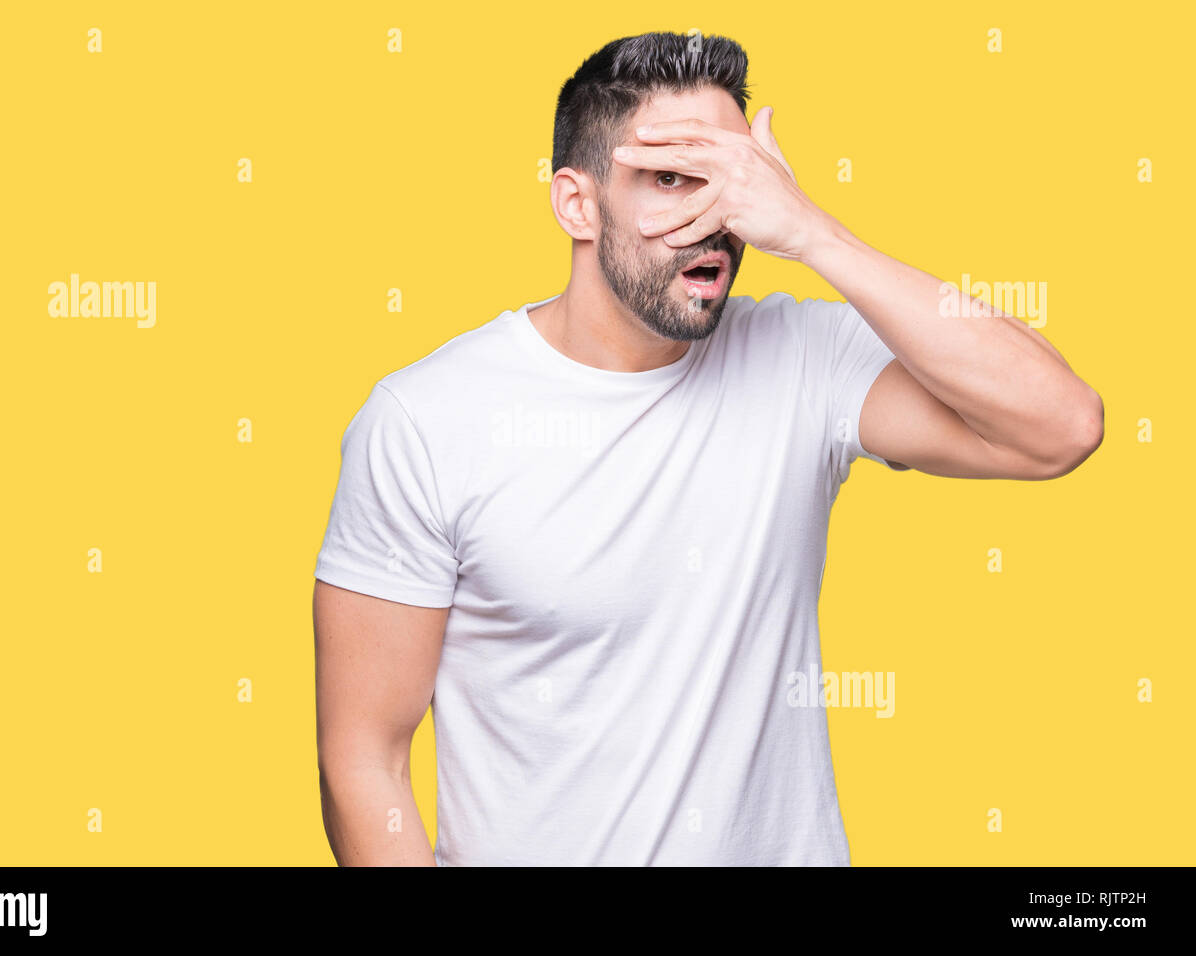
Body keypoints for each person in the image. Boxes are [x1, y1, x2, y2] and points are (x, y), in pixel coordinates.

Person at [311, 32, 1103, 866]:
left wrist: (815, 233)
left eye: (732, 178)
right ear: (577, 204)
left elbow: (1061, 426)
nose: (714, 218)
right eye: (670, 179)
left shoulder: (804, 360)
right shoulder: (426, 421)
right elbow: (364, 759)